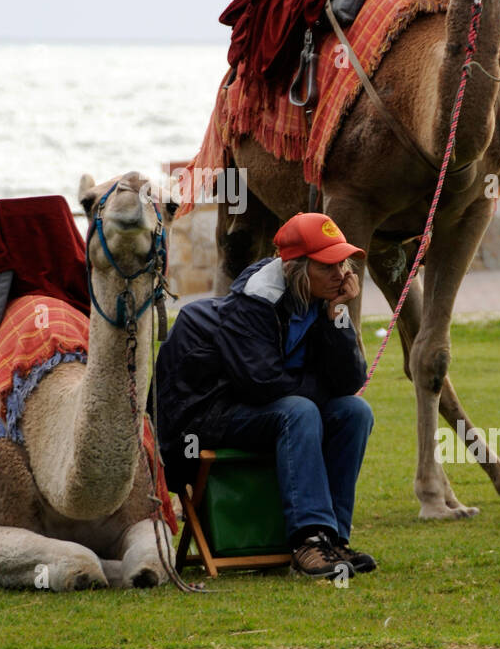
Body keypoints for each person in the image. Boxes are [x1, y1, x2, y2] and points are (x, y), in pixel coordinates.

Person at [154, 212, 376, 579]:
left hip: (256, 411)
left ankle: (334, 540)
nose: (342, 274)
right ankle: (309, 541)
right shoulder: (255, 302)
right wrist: (317, 387)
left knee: (355, 411)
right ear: (297, 269)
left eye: (343, 262)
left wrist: (339, 314)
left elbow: (348, 382)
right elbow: (262, 384)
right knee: (299, 410)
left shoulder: (321, 300)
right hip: (202, 421)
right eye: (328, 265)